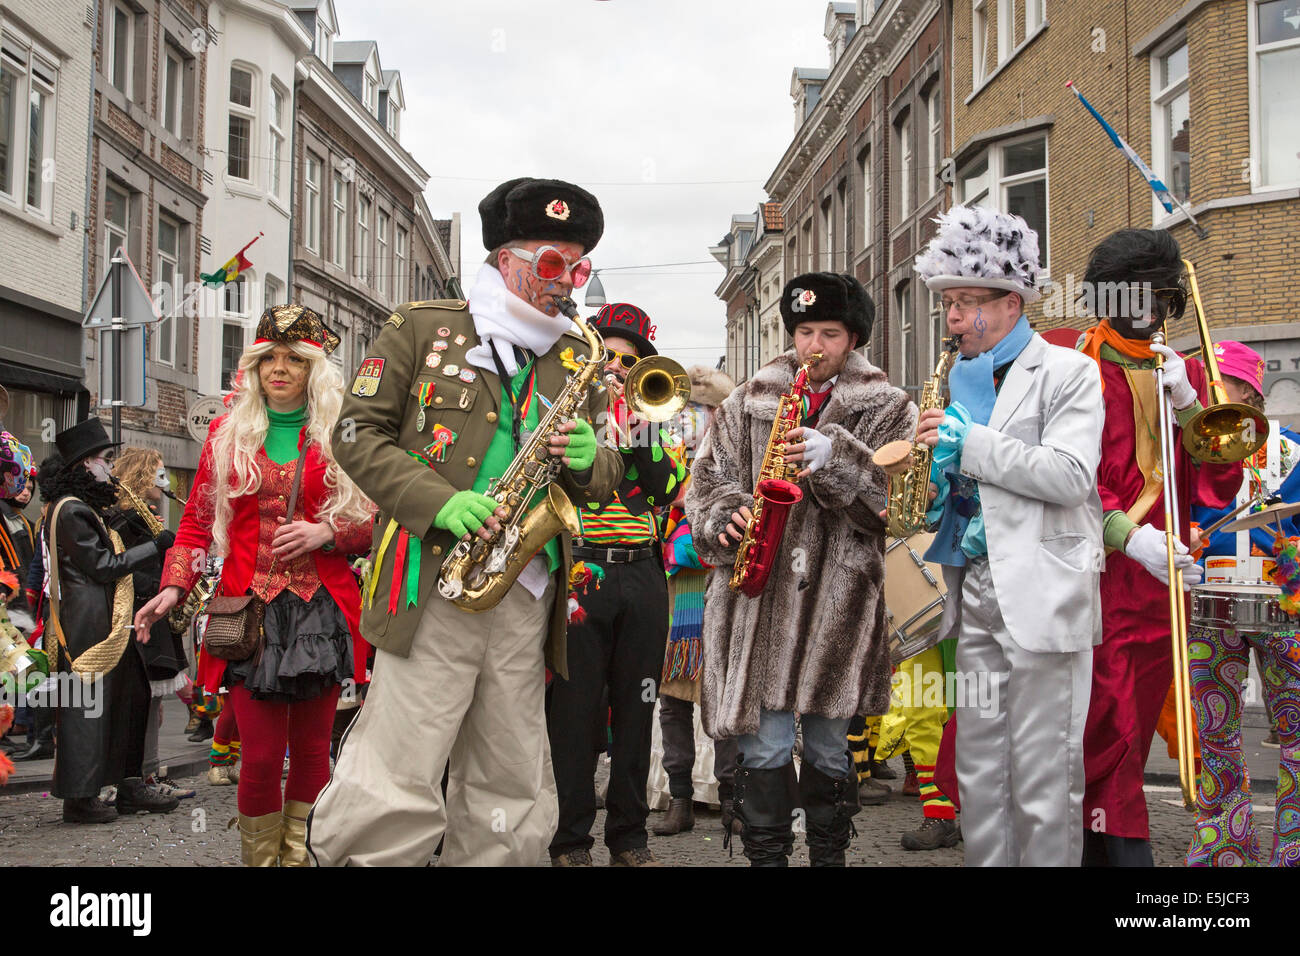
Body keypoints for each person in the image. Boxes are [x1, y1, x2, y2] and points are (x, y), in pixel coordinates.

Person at [307, 177, 623, 867]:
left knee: (510, 768)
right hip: (431, 581)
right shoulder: (422, 327)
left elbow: (607, 479)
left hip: (525, 589)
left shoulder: (577, 353)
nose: (566, 282)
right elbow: (357, 432)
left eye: (578, 267)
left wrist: (590, 457)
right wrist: (437, 501)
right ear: (505, 258)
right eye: (551, 264)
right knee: (403, 758)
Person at [685, 271, 914, 866]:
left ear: (854, 337)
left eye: (829, 333)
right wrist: (724, 518)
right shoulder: (747, 399)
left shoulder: (889, 406)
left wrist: (836, 458)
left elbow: (893, 505)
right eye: (804, 331)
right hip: (757, 600)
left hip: (836, 604)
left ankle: (829, 858)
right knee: (764, 750)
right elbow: (705, 482)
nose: (814, 345)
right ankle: (768, 860)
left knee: (830, 751)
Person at [135, 305, 375, 865]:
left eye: (295, 358)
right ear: (255, 364)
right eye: (269, 357)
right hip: (247, 615)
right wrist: (173, 587)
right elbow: (195, 522)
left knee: (315, 751)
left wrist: (327, 532)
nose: (280, 368)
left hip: (321, 611)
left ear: (315, 367)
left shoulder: (345, 432)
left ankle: (300, 858)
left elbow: (380, 522)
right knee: (261, 757)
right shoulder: (226, 432)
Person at [909, 205, 1104, 866]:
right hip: (976, 595)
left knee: (1044, 779)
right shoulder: (954, 378)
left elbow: (1072, 476)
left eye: (967, 302)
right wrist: (935, 487)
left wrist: (973, 446)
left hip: (1043, 594)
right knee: (978, 773)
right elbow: (964, 496)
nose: (954, 317)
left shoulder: (1070, 372)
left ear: (1012, 302)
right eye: (949, 303)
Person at [1075, 229, 1241, 867]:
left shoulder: (1188, 373)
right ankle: (1123, 850)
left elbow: (1221, 478)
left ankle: (1102, 840)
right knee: (1107, 722)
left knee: (1131, 725)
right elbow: (1072, 476)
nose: (1145, 307)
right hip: (1097, 573)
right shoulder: (1078, 366)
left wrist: (1191, 405)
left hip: (1161, 582)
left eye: (1156, 294)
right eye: (1131, 292)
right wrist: (1126, 534)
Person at [546, 303, 688, 867]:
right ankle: (570, 839)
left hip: (642, 573)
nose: (617, 368)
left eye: (629, 361)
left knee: (638, 709)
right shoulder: (562, 414)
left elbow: (663, 489)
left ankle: (629, 837)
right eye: (606, 356)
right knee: (575, 712)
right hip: (583, 570)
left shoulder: (661, 419)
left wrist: (639, 426)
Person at [1182, 341, 1299, 865]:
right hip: (1210, 606)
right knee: (1218, 735)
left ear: (1250, 392)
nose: (1209, 394)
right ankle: (1225, 846)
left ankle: (1292, 847)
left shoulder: (1295, 450)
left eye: (1218, 383)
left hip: (1284, 609)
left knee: (1296, 734)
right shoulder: (1190, 452)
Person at [43, 418, 179, 823]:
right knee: (86, 711)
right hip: (90, 625)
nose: (108, 466)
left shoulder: (81, 507)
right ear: (85, 464)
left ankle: (126, 782)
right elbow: (102, 566)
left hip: (105, 620)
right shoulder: (71, 511)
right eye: (103, 459)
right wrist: (154, 547)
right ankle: (79, 797)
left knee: (127, 698)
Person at [650, 366, 742, 839]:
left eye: (704, 411)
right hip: (677, 587)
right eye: (688, 411)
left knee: (724, 696)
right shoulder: (666, 456)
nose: (694, 421)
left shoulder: (735, 458)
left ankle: (731, 798)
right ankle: (680, 796)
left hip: (725, 583)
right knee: (672, 697)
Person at [107, 446, 194, 799]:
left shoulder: (148, 516)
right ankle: (142, 779)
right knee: (144, 705)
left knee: (153, 705)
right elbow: (123, 572)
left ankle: (150, 774)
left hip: (155, 615)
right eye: (158, 473)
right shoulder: (124, 520)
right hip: (141, 617)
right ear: (141, 475)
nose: (166, 481)